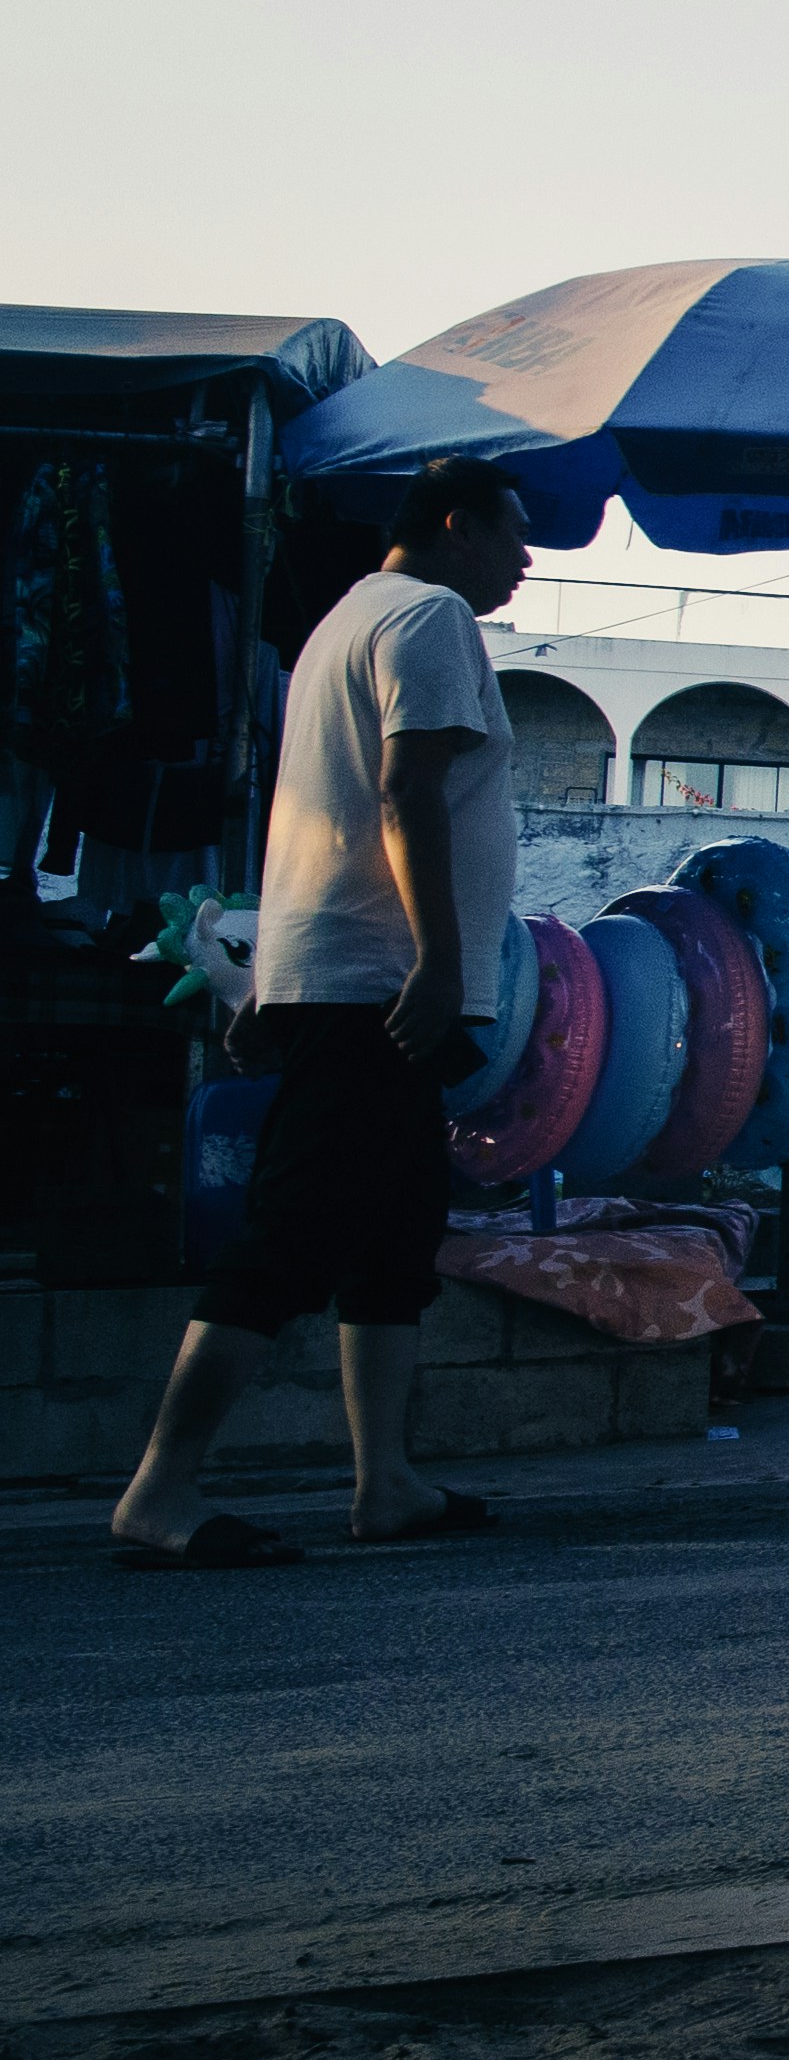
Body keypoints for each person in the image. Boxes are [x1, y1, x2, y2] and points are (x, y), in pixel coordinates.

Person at [109, 461, 535, 1567]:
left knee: (393, 1241)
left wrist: (266, 974)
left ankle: (385, 1485)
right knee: (294, 1234)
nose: (525, 560)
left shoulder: (342, 619)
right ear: (458, 527)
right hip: (380, 983)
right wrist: (439, 961)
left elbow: (320, 806)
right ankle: (159, 1492)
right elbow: (404, 792)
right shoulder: (431, 615)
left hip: (342, 975)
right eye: (514, 535)